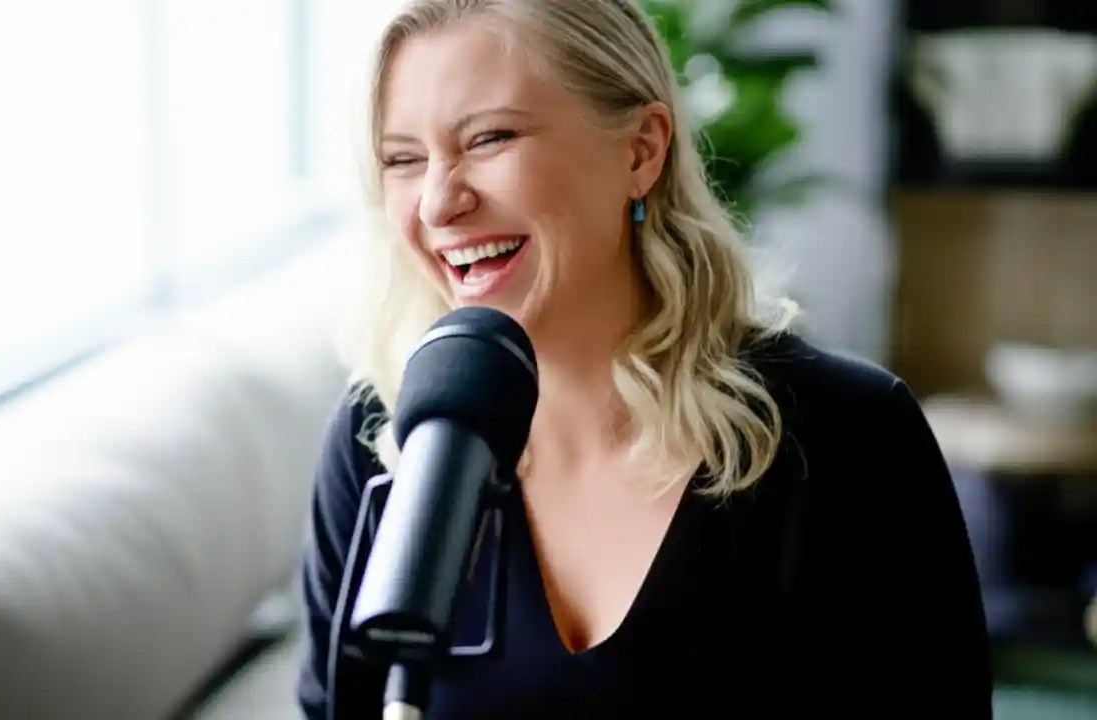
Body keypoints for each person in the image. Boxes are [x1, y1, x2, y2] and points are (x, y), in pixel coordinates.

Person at [297, 1, 992, 717]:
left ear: (641, 149)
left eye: (491, 138)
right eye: (403, 160)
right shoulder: (377, 441)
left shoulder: (850, 435)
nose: (440, 202)